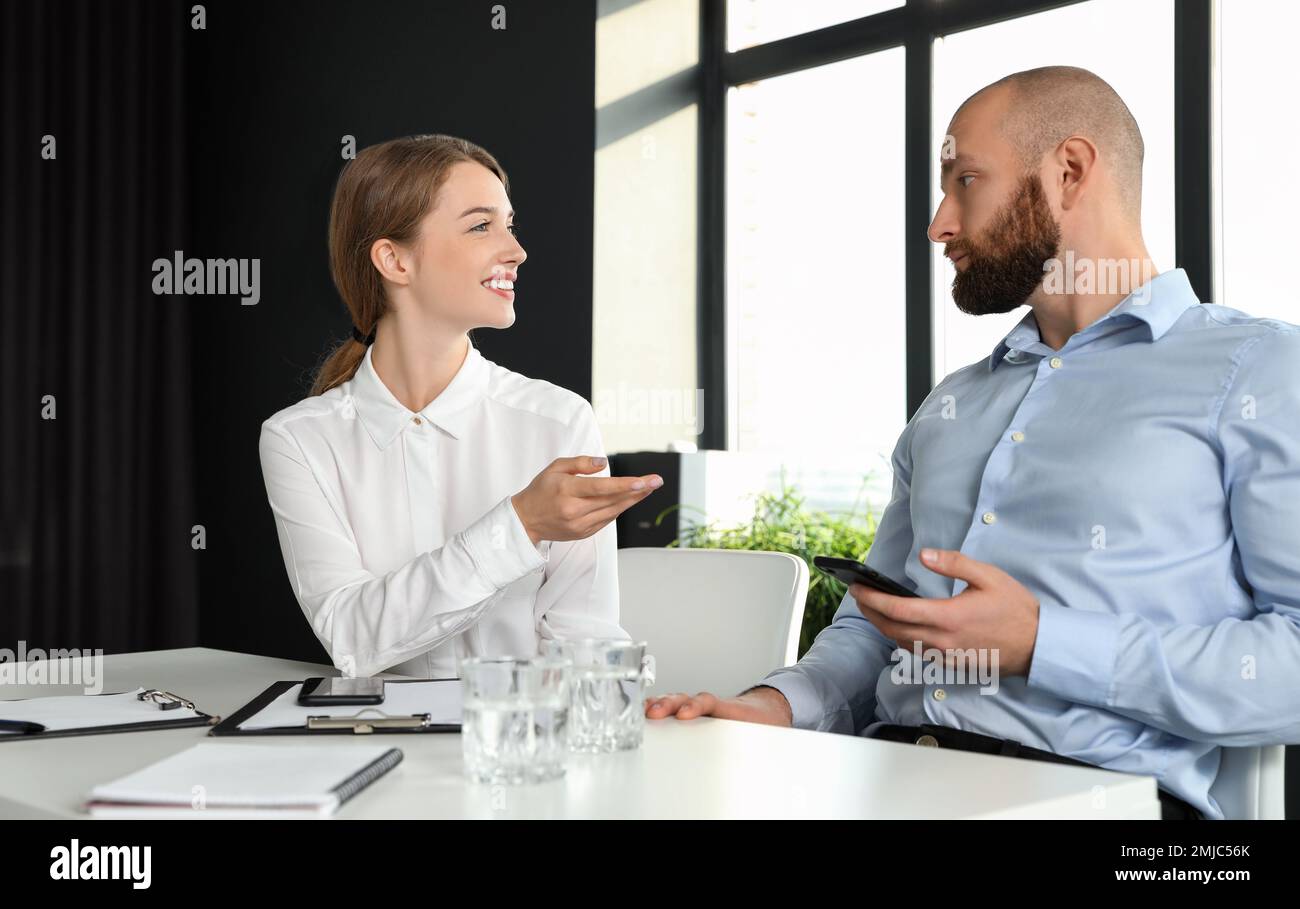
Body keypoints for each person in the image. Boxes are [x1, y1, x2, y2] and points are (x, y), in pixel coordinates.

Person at [647, 67, 1300, 821]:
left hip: (1094, 803)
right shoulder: (951, 403)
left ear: (1070, 171)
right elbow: (878, 615)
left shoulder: (1259, 370)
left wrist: (1043, 643)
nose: (939, 224)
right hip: (880, 779)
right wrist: (779, 703)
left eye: (965, 181)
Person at [259, 134, 662, 680]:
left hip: (523, 751)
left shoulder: (560, 422)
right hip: (376, 752)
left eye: (510, 225)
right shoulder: (300, 440)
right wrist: (520, 525)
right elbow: (352, 637)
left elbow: (583, 641)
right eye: (481, 226)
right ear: (394, 259)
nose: (516, 250)